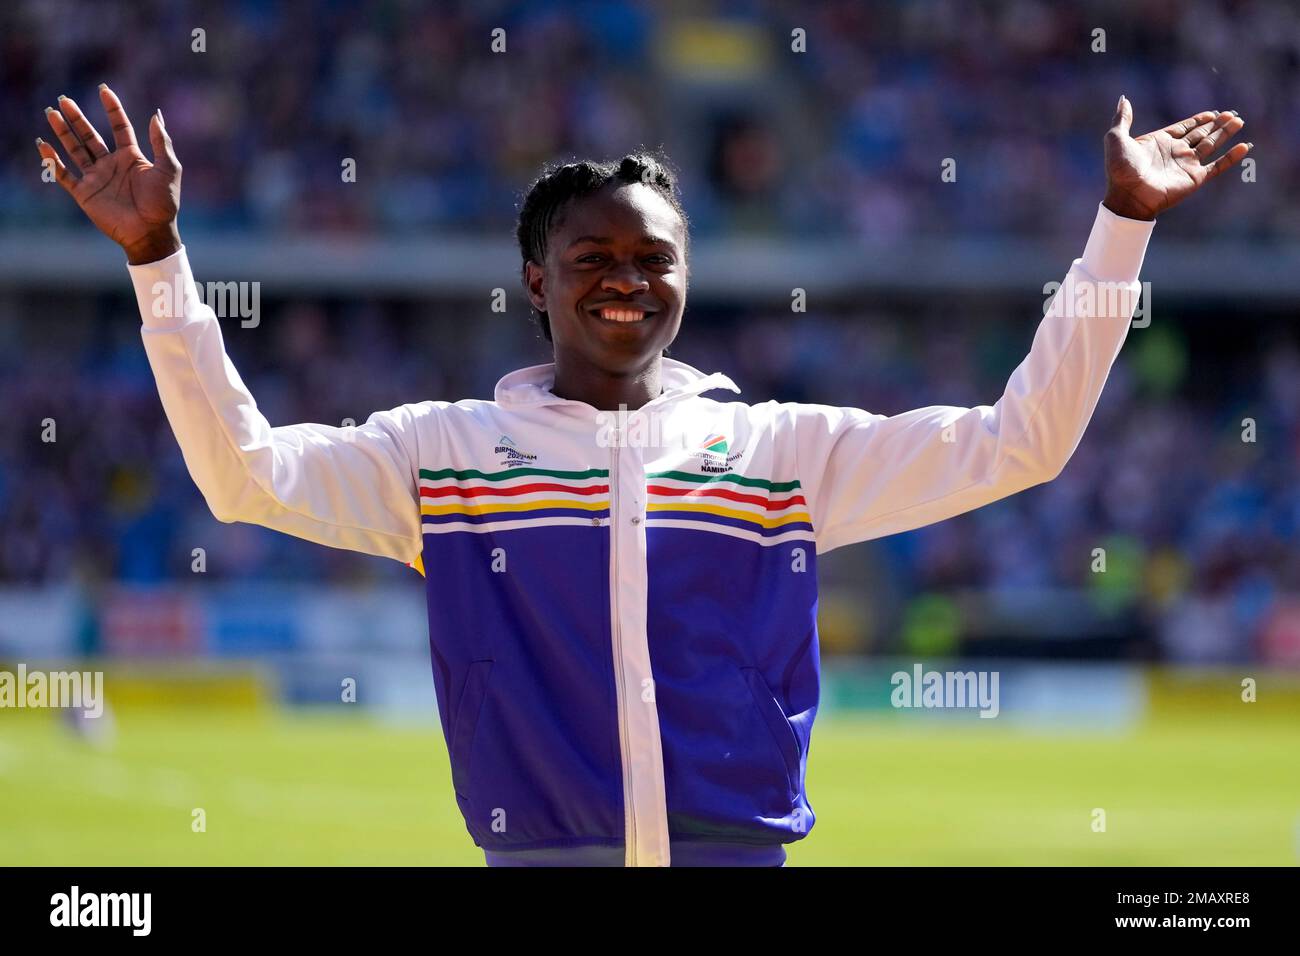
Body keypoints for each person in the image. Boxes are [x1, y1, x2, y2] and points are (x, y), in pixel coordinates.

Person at [37, 85, 1249, 866]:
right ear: (537, 281)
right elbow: (245, 476)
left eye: (652, 257)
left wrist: (1119, 226)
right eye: (591, 256)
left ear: (685, 278)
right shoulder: (445, 455)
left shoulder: (780, 452)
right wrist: (159, 263)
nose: (626, 277)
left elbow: (1020, 440)